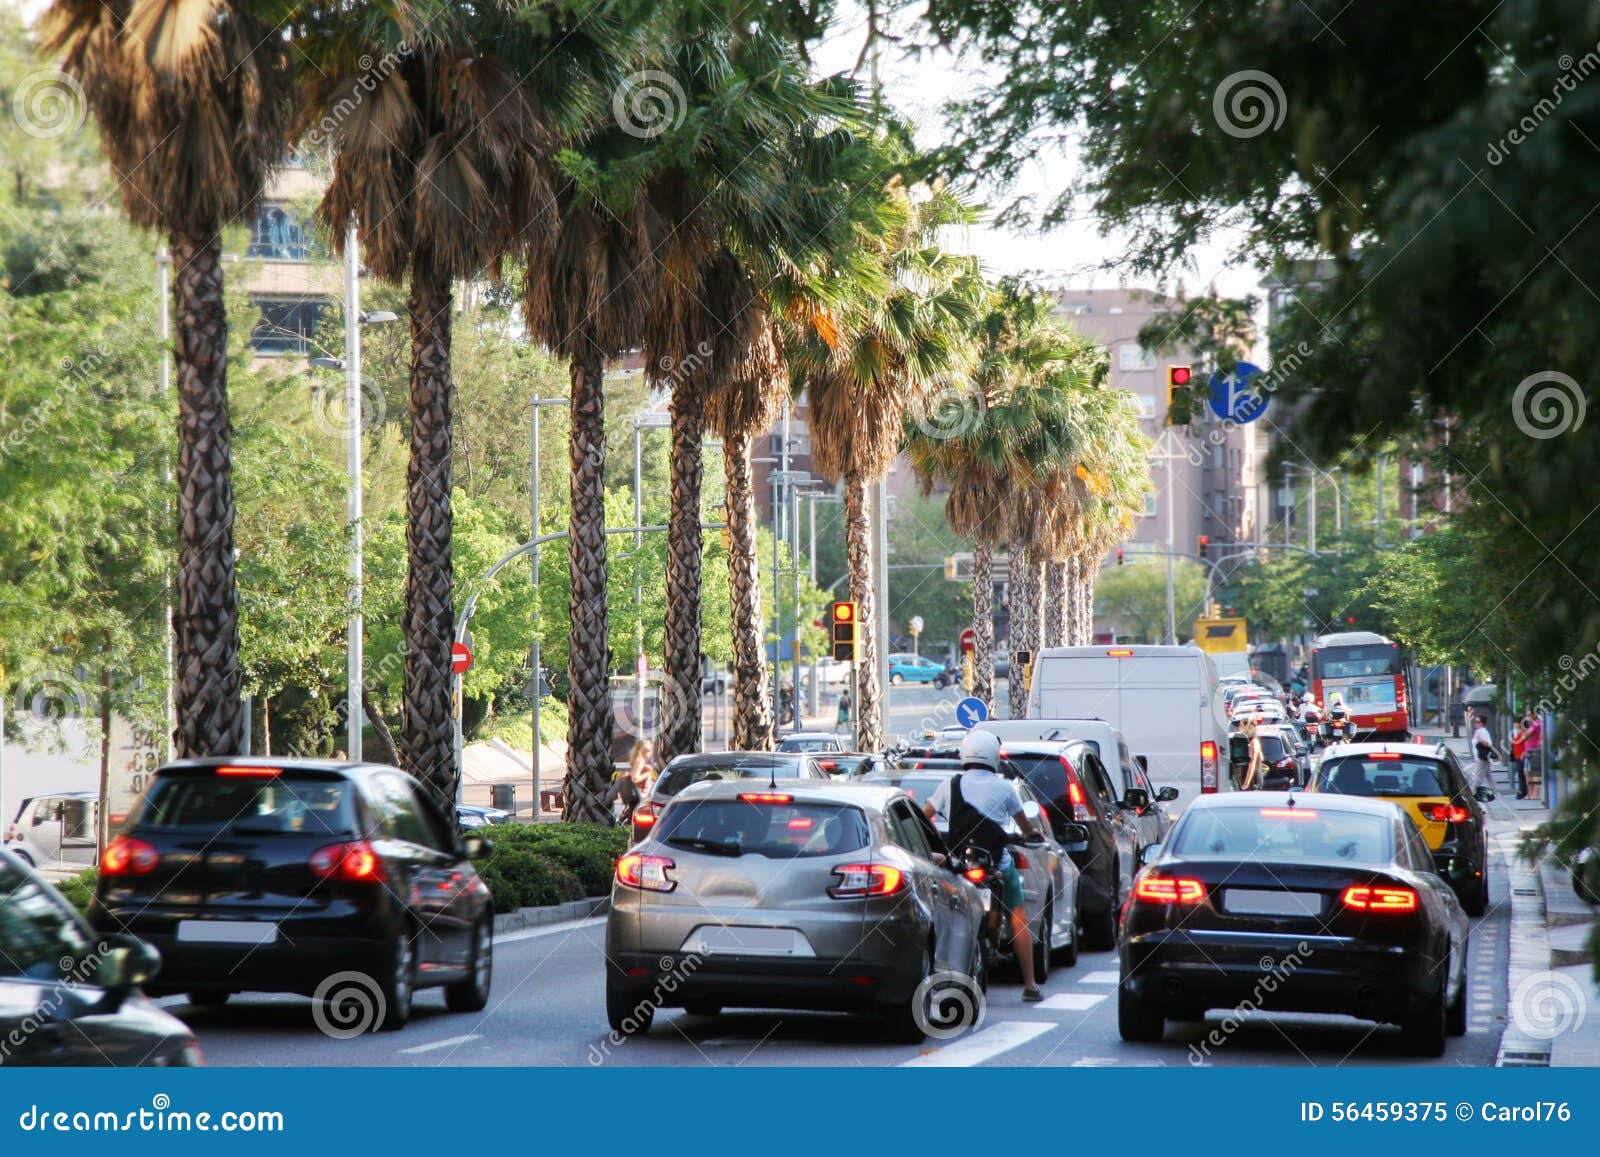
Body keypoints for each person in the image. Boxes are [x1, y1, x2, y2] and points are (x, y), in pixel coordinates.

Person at [924, 729, 1045, 1002]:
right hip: (996, 864)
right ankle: (1030, 984)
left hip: (960, 866)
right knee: (1018, 916)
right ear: (992, 756)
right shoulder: (1005, 787)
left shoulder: (949, 785)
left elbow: (923, 818)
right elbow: (1027, 828)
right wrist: (1031, 835)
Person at [1470, 713, 1496, 794]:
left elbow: (1488, 744)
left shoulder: (1483, 731)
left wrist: (1480, 739)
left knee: (1477, 775)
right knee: (1487, 775)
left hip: (1482, 757)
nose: (1476, 723)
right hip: (1479, 757)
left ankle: (1473, 792)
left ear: (1482, 723)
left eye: (1478, 722)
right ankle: (1494, 791)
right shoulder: (1477, 731)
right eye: (1475, 722)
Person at [1522, 712, 1543, 799]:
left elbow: (1526, 735)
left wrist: (1524, 732)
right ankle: (1530, 793)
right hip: (1529, 750)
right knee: (1527, 772)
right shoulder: (1534, 724)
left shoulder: (1536, 724)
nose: (1528, 717)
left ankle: (1535, 793)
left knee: (1534, 772)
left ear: (1535, 714)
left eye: (1529, 715)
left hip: (1534, 750)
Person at [1510, 718, 1527, 799]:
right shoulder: (1517, 733)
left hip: (1521, 756)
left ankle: (1523, 791)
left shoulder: (1523, 733)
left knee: (1522, 775)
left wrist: (1523, 753)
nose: (1514, 724)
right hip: (1517, 756)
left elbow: (1526, 745)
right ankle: (1522, 790)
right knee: (1520, 774)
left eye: (1516, 723)